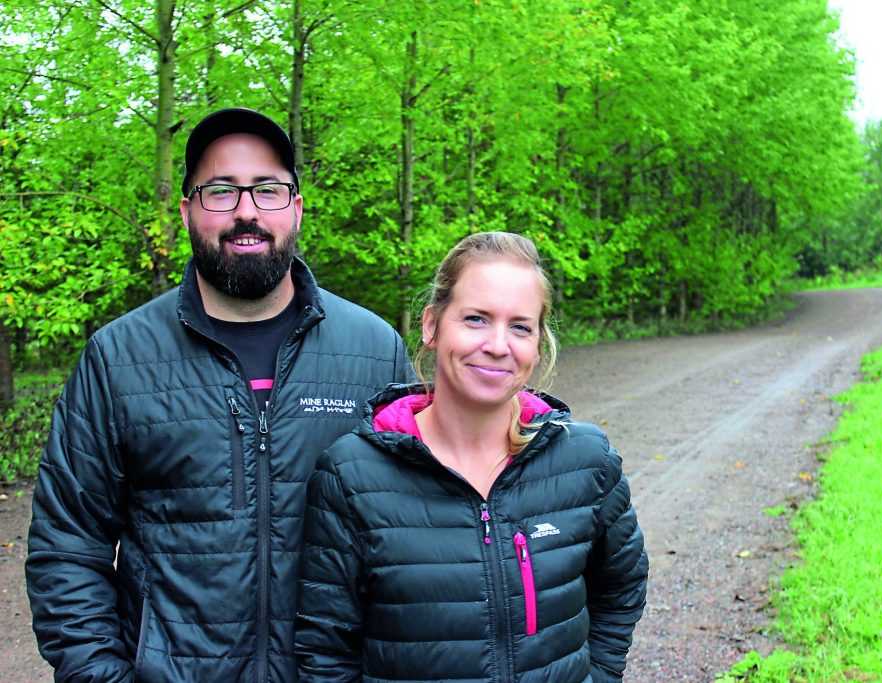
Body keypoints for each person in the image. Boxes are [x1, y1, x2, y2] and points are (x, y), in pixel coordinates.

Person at [25, 107, 413, 682]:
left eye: (268, 190)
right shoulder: (118, 358)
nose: (247, 211)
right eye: (221, 191)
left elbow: (413, 540)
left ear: (297, 208)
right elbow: (67, 546)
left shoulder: (374, 351)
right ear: (187, 210)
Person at [295, 231, 649, 682]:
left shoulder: (586, 460)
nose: (498, 345)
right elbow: (325, 651)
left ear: (538, 344)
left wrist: (596, 675)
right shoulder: (351, 475)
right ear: (431, 326)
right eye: (476, 319)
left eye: (520, 326)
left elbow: (622, 586)